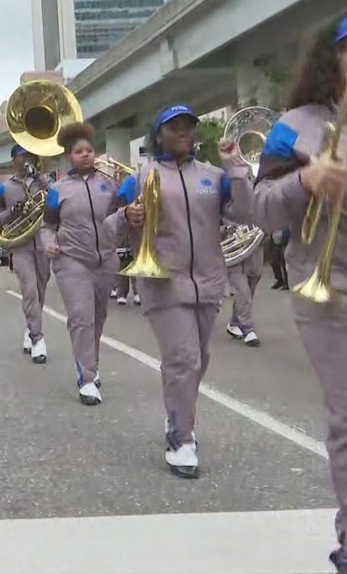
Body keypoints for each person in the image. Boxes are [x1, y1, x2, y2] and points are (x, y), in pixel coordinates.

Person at [254, 10, 347, 574]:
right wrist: (306, 179)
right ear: (334, 58)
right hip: (332, 293)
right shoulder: (294, 125)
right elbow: (259, 206)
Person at [109, 104, 251, 480]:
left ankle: (176, 411)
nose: (184, 132)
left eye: (189, 126)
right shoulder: (140, 177)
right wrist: (126, 217)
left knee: (198, 360)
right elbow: (108, 227)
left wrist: (237, 169)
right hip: (162, 282)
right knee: (184, 360)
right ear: (159, 135)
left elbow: (246, 213)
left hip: (208, 281)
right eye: (175, 127)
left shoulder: (214, 176)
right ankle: (181, 440)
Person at [41, 122, 122, 406]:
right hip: (71, 259)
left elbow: (123, 212)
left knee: (98, 318)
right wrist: (48, 241)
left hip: (106, 260)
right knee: (81, 317)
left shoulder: (109, 183)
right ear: (68, 156)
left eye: (89, 150)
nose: (86, 155)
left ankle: (92, 364)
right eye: (79, 151)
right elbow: (47, 225)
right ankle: (86, 378)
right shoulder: (58, 189)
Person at [0, 145, 53, 363]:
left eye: (30, 155)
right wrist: (11, 212)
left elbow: (57, 201)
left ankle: (30, 327)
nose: (27, 159)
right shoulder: (4, 188)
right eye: (22, 156)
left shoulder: (43, 181)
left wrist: (42, 179)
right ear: (13, 161)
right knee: (30, 291)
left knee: (41, 289)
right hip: (20, 245)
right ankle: (38, 338)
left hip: (43, 243)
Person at [223, 221, 264, 347]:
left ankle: (235, 323)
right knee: (242, 291)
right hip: (233, 252)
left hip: (254, 251)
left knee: (250, 287)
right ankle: (248, 330)